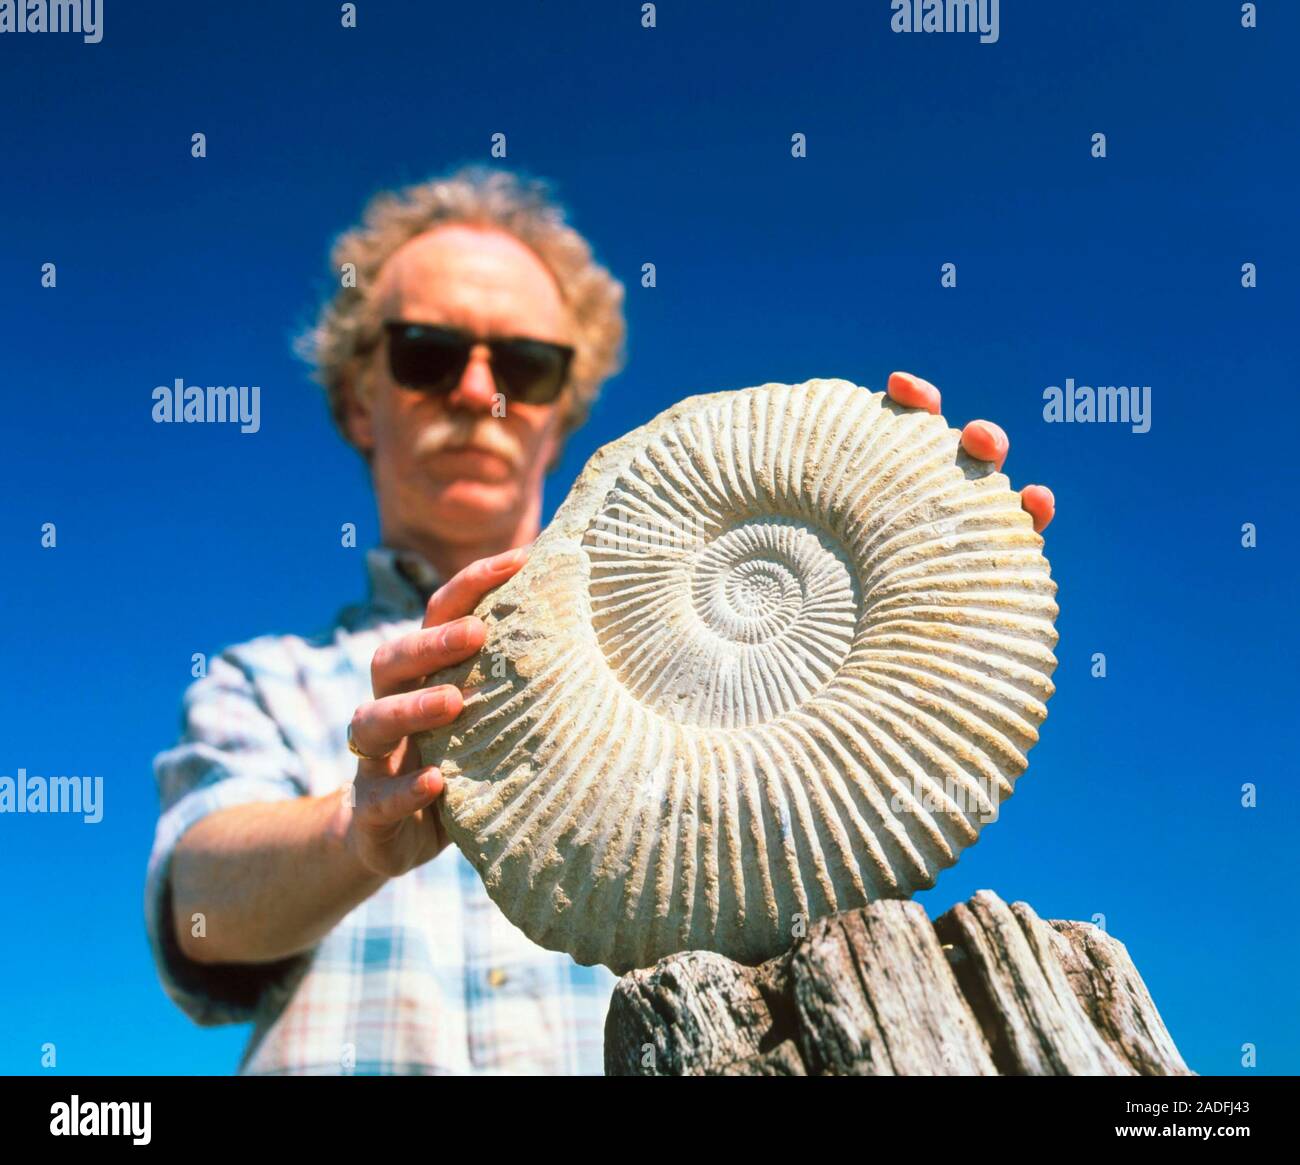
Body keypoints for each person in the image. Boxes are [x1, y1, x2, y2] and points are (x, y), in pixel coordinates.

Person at [144, 164, 1056, 1076]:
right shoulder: (270, 677)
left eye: (523, 364)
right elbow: (202, 910)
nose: (475, 389)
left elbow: (811, 887)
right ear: (357, 397)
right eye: (426, 353)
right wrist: (354, 832)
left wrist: (957, 572)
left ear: (562, 409)